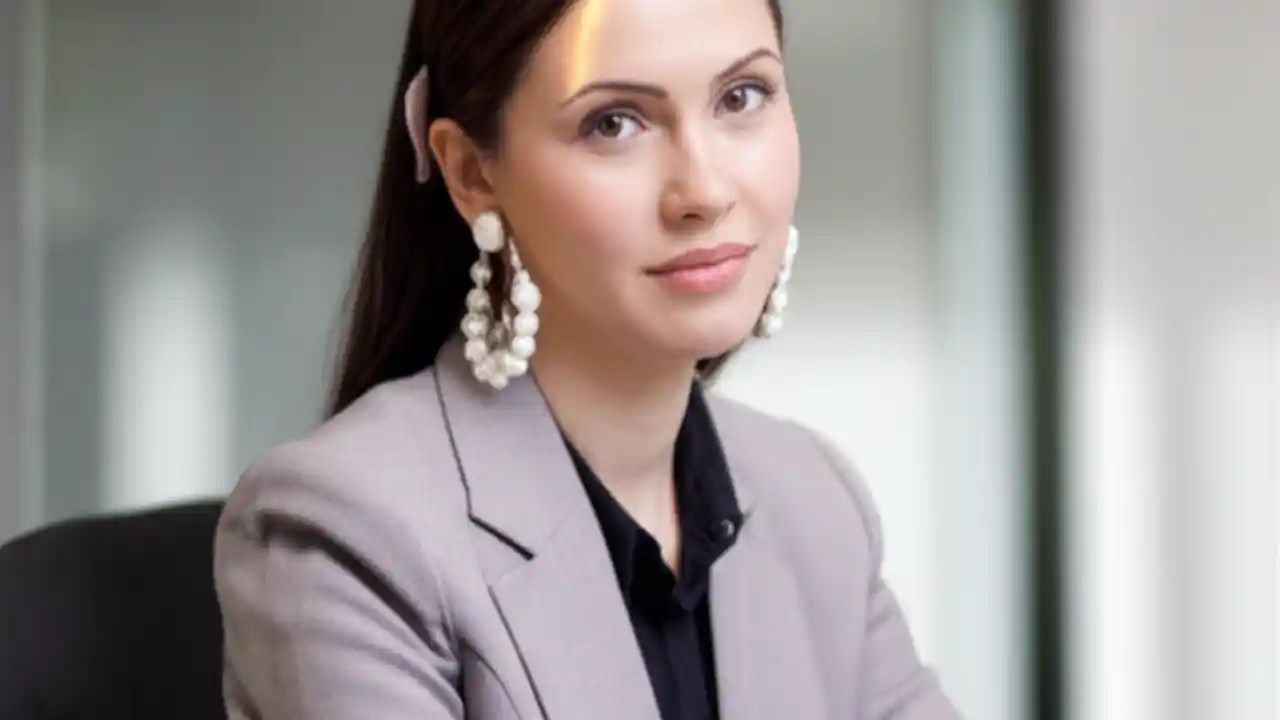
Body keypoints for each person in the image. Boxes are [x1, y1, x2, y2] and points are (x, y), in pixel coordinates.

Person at [213, 0, 959, 718]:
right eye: (615, 122)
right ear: (472, 173)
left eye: (742, 95)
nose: (702, 191)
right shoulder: (357, 530)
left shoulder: (812, 498)